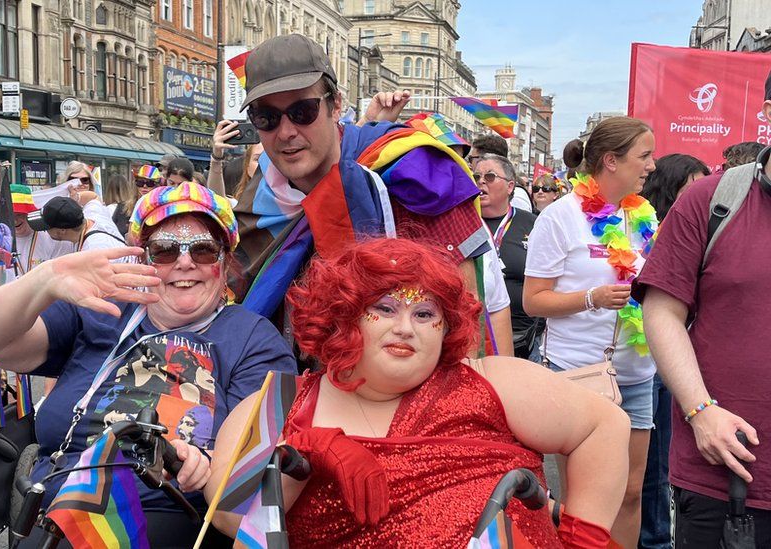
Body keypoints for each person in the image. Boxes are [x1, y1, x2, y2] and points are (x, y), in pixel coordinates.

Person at [206, 238, 630, 547]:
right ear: (343, 315)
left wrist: (582, 543)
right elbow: (226, 516)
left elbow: (604, 426)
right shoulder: (279, 402)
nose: (406, 327)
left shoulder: (490, 380)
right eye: (385, 308)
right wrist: (304, 453)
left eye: (425, 313)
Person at [0, 181, 298, 547]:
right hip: (53, 509)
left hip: (163, 517)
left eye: (203, 250)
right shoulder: (104, 309)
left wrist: (205, 461)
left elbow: (251, 461)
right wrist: (47, 279)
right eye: (165, 251)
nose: (185, 262)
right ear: (143, 258)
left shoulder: (253, 339)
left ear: (224, 263)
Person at [233, 34, 488, 320]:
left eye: (302, 111)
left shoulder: (413, 171)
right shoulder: (262, 190)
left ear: (336, 106)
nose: (286, 132)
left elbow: (466, 310)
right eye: (266, 117)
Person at [634, 74, 771, 548]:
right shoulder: (710, 200)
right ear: (769, 113)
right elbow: (662, 311)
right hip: (726, 473)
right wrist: (700, 411)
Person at [523, 116, 658, 547]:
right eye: (645, 155)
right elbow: (533, 301)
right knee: (585, 499)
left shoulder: (642, 215)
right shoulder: (560, 217)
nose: (652, 165)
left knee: (632, 492)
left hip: (637, 374)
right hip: (581, 374)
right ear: (611, 161)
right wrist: (592, 298)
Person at [634, 152, 710, 549]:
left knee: (662, 463)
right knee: (649, 469)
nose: (704, 196)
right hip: (641, 362)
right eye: (692, 187)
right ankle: (655, 539)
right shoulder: (643, 223)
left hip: (681, 362)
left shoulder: (710, 227)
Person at [474, 154, 541, 359]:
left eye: (490, 176)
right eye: (476, 177)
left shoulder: (534, 224)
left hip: (527, 338)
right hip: (477, 336)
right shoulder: (465, 223)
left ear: (510, 186)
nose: (481, 181)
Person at [10, 184, 72, 276]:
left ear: (30, 213)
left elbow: (62, 276)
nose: (15, 221)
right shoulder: (1, 239)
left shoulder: (53, 237)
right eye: (11, 215)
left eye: (19, 214)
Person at [27, 195, 125, 252]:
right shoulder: (92, 214)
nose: (45, 232)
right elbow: (94, 197)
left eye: (46, 228)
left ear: (62, 230)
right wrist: (77, 196)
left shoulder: (92, 249)